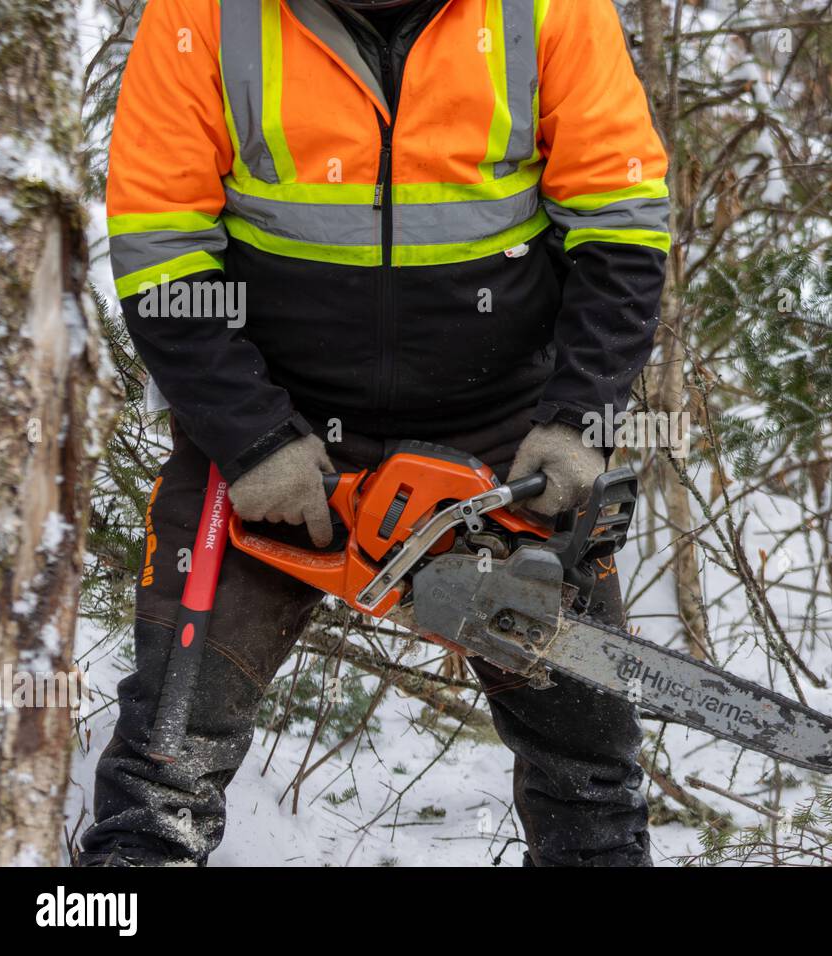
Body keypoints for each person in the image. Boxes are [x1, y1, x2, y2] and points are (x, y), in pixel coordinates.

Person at [80, 0, 670, 867]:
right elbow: (161, 245)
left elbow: (621, 232)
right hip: (268, 419)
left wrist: (577, 421)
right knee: (165, 758)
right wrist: (249, 438)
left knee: (588, 769)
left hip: (502, 432)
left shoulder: (550, 11)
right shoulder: (203, 14)